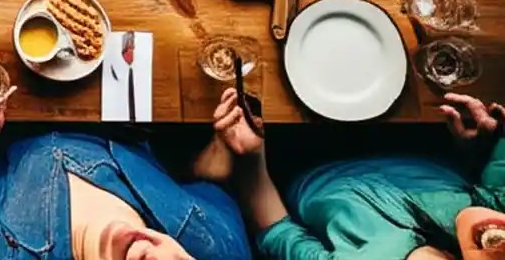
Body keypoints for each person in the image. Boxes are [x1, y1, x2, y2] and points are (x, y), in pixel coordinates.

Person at [0, 90, 252, 259]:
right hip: (122, 111)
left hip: (12, 123)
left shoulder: (3, 254)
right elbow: (207, 183)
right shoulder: (220, 246)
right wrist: (223, 145)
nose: (150, 257)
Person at [216, 89, 505, 259]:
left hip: (296, 162)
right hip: (409, 135)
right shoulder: (496, 208)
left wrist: (250, 155)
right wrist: (479, 151)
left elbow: (274, 230)